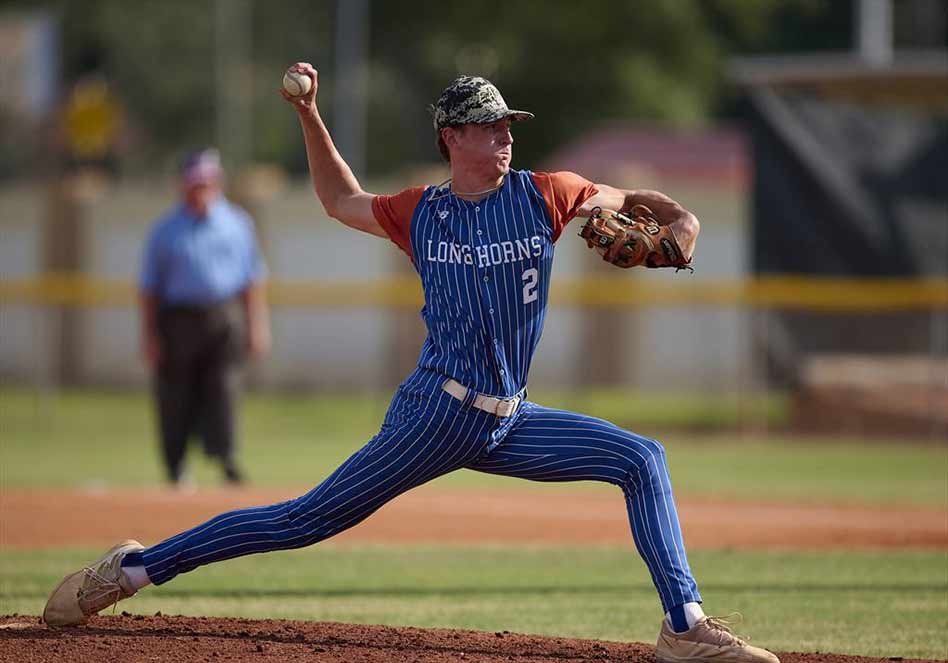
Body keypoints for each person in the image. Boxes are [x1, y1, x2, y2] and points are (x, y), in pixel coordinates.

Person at [44, 68, 777, 663]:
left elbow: (624, 198)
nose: (504, 137)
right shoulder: (420, 212)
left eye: (507, 126)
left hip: (509, 417)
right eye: (489, 127)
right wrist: (312, 116)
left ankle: (684, 627)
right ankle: (133, 569)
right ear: (452, 136)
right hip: (435, 413)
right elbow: (338, 199)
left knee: (641, 458)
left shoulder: (546, 194)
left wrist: (681, 218)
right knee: (302, 519)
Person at [138, 148, 270, 488]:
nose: (201, 190)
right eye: (195, 183)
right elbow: (149, 289)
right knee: (175, 395)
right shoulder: (165, 230)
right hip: (178, 320)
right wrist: (149, 335)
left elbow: (251, 280)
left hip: (224, 317)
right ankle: (176, 465)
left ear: (218, 183)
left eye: (207, 183)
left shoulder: (237, 223)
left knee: (224, 391)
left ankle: (226, 460)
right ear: (183, 185)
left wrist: (257, 326)